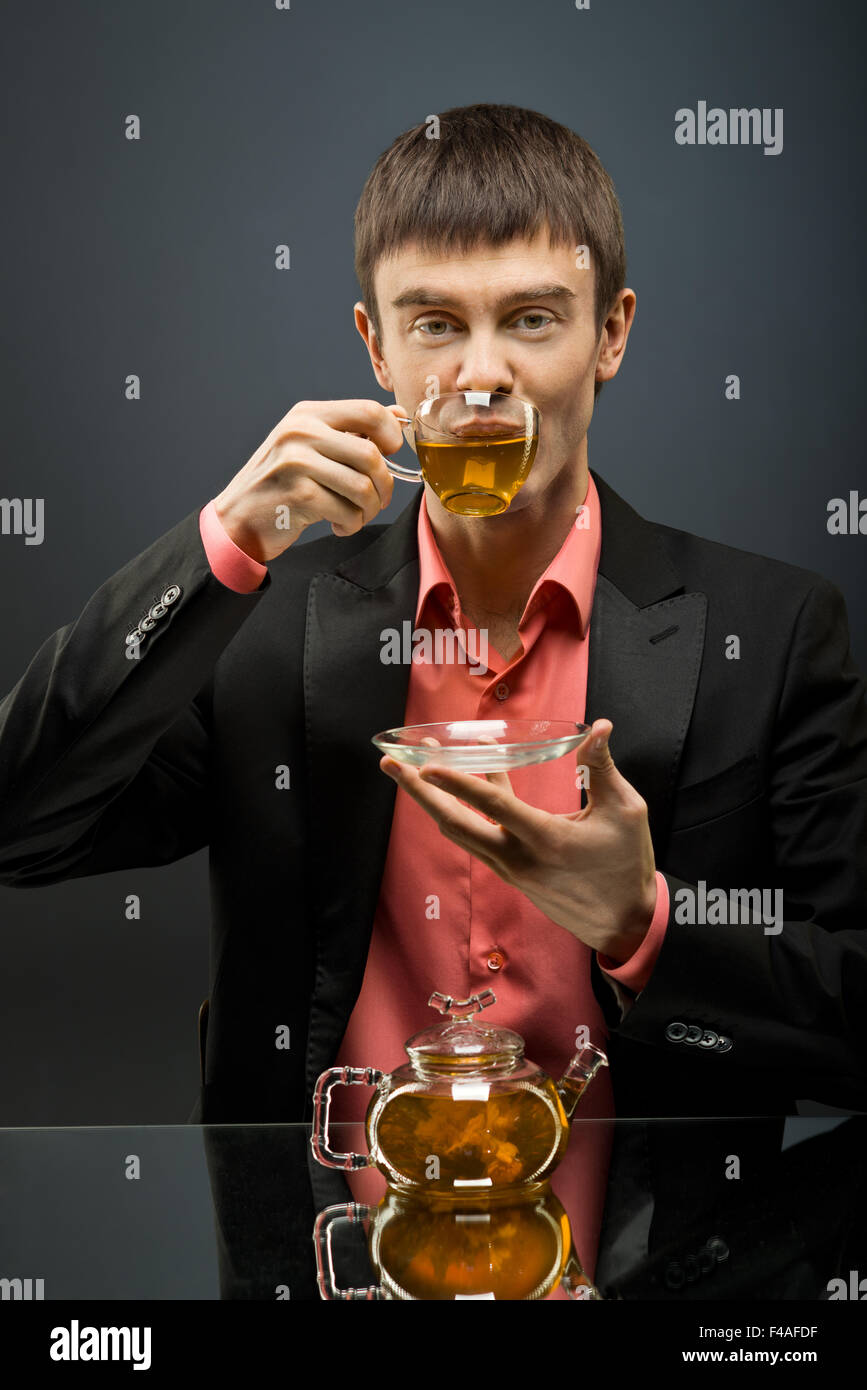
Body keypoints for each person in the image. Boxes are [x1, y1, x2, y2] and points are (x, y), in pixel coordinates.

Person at [0, 104, 865, 1143]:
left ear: (613, 334)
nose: (482, 376)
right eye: (436, 324)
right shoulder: (262, 631)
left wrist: (644, 926)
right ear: (377, 346)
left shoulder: (772, 633)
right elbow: (20, 825)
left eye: (534, 319)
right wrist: (224, 542)